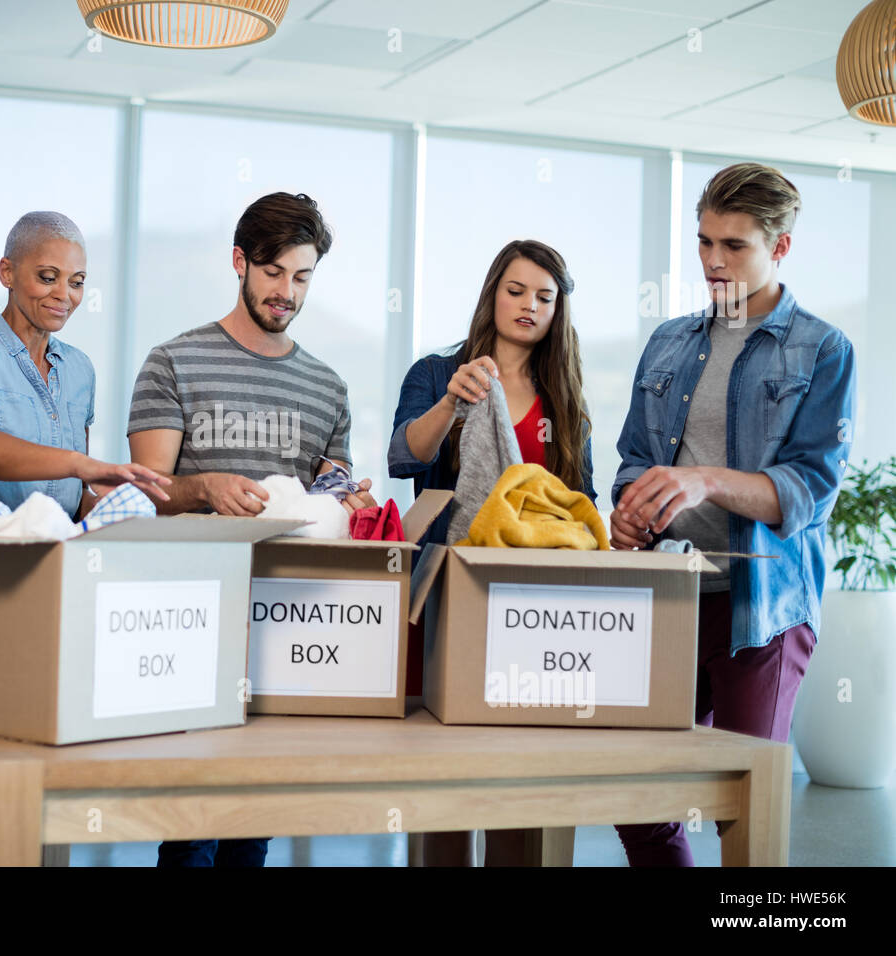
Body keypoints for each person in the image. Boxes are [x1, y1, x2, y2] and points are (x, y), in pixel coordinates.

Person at [610, 162, 855, 865]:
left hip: (764, 609)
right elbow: (634, 457)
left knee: (741, 807)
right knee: (637, 794)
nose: (713, 261)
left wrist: (706, 481)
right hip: (671, 598)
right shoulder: (669, 342)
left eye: (735, 245)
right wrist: (633, 510)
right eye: (704, 241)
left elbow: (810, 489)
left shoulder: (824, 349)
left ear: (779, 248)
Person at [127, 191, 376, 866]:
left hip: (285, 626)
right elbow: (143, 497)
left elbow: (329, 493)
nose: (286, 292)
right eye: (272, 272)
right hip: (189, 621)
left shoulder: (328, 387)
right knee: (191, 830)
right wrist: (201, 488)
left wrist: (346, 502)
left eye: (302, 277)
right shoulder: (173, 362)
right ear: (239, 261)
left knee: (253, 825)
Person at [0, 211, 169, 865]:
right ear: (8, 273)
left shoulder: (80, 369)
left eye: (78, 282)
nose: (64, 294)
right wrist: (86, 467)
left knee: (40, 775)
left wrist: (128, 499)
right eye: (48, 276)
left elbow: (73, 490)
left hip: (57, 584)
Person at [389, 238, 593, 866]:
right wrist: (453, 401)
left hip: (532, 602)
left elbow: (579, 503)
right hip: (448, 591)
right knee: (441, 771)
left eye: (544, 296)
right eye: (516, 290)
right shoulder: (435, 373)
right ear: (492, 295)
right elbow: (403, 457)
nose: (528, 305)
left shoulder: (565, 398)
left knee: (518, 771)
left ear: (558, 311)